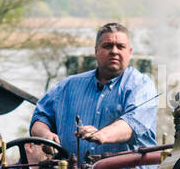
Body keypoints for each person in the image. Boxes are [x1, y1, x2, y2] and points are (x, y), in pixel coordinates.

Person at [30, 23, 157, 161]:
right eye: (107, 46)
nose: (114, 51)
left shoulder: (142, 85)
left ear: (130, 52)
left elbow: (133, 124)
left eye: (120, 46)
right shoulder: (67, 86)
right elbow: (40, 117)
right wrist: (46, 136)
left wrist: (102, 134)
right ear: (96, 51)